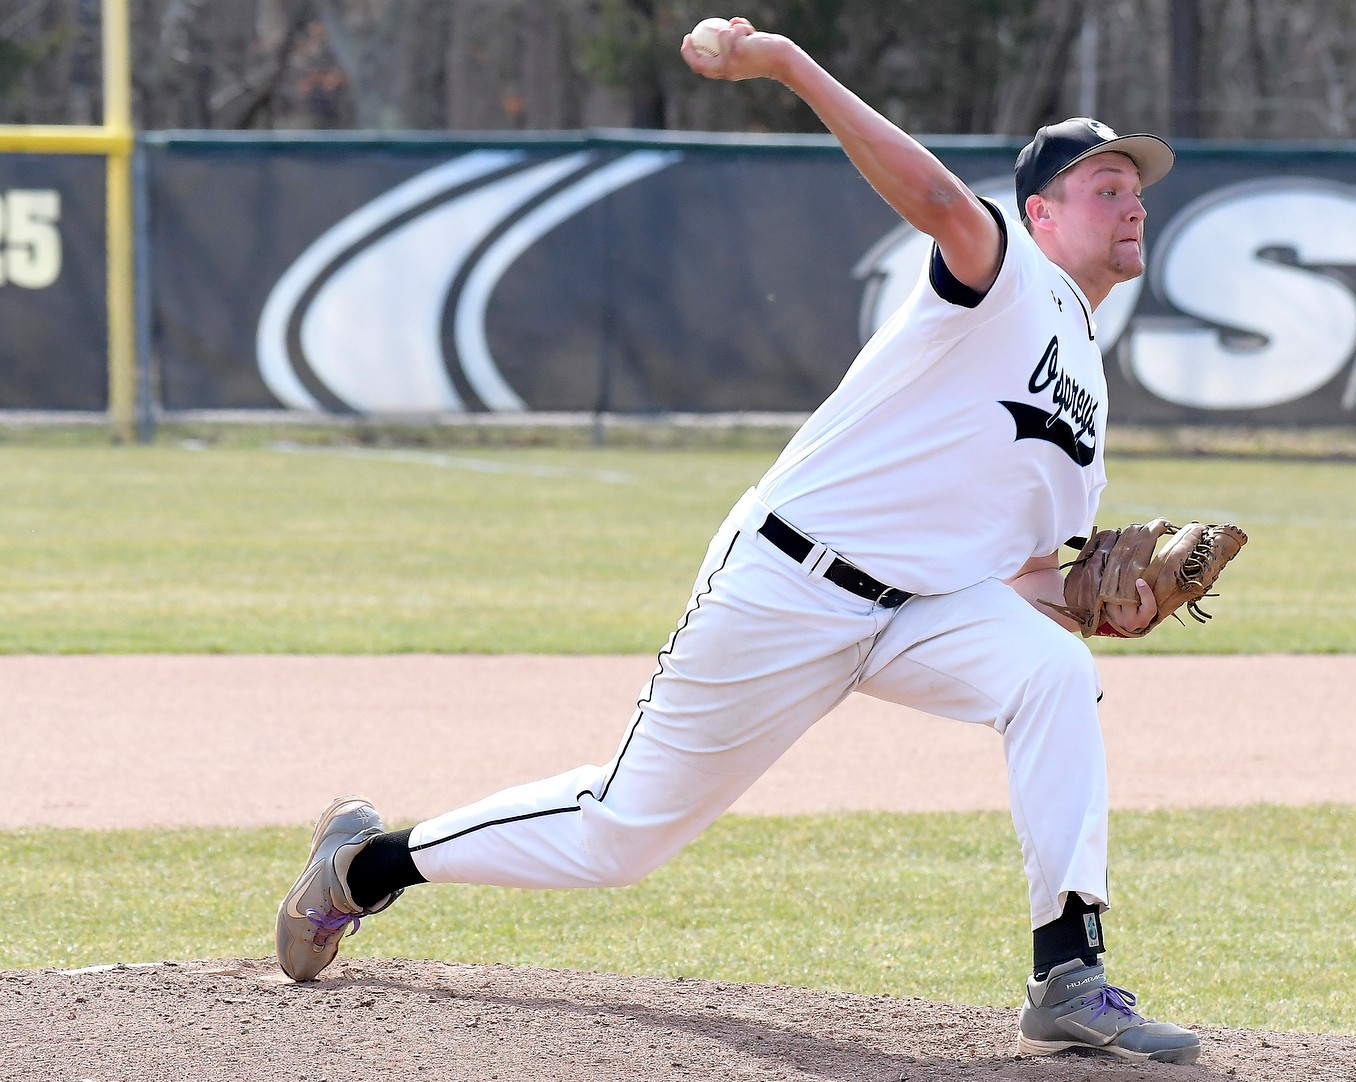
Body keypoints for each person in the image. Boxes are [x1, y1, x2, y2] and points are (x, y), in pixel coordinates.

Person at [274, 16, 1201, 1066]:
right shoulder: (1007, 276)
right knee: (617, 835)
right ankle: (366, 864)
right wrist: (788, 65)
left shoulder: (1089, 401)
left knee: (1052, 672)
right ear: (1040, 213)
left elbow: (1027, 578)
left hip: (917, 612)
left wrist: (1094, 606)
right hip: (789, 584)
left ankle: (1067, 970)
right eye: (1105, 185)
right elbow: (941, 201)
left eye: (1136, 188)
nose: (1133, 201)